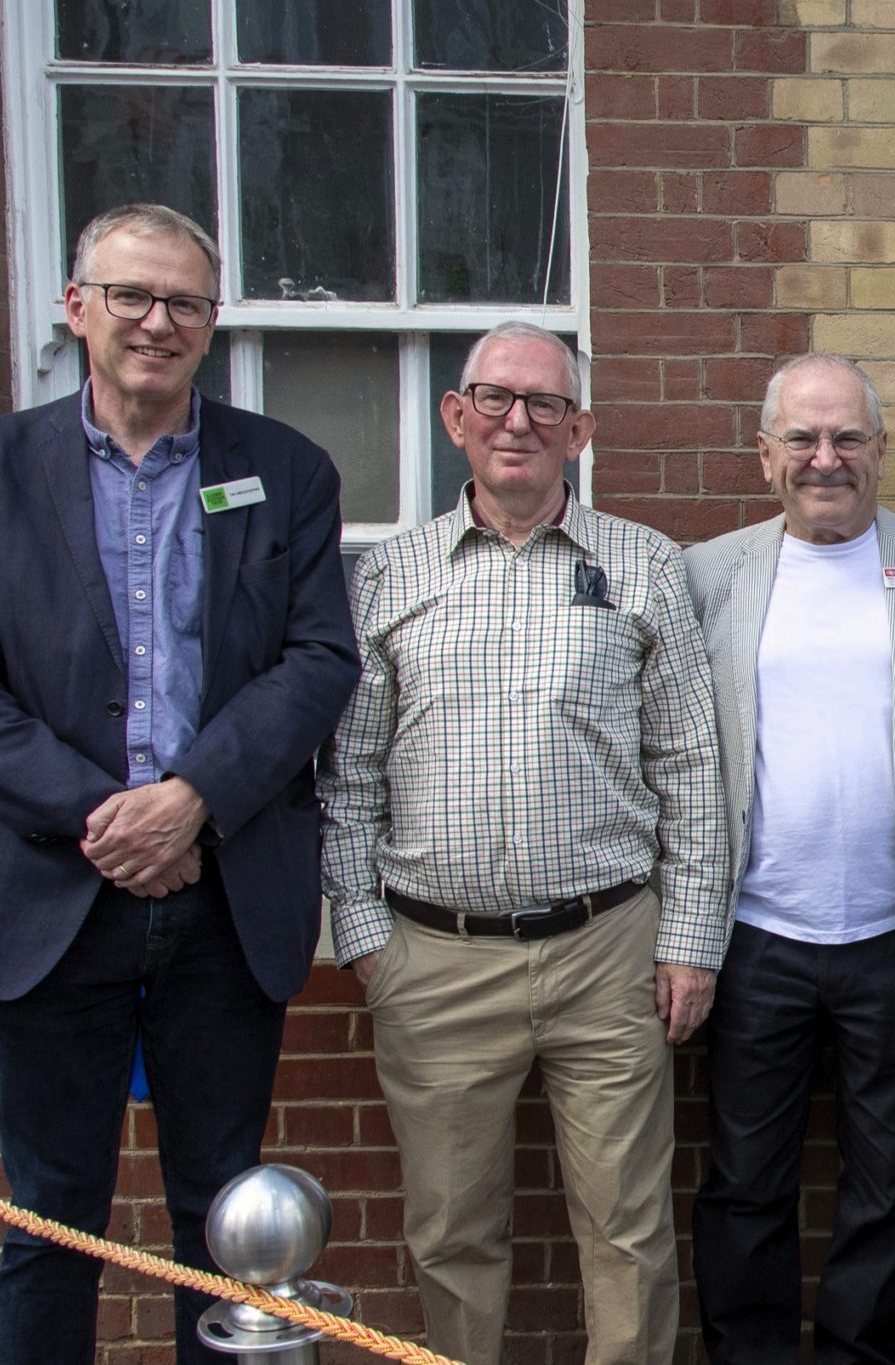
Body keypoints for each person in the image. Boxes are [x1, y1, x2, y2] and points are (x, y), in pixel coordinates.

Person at [0, 203, 360, 1363]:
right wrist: (103, 818)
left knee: (221, 1220)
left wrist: (190, 797)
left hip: (222, 893)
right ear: (77, 309)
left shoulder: (285, 470)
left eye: (186, 303)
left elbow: (318, 662)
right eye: (132, 296)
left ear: (213, 324)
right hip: (53, 894)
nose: (158, 323)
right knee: (49, 1215)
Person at [318, 321, 729, 1365]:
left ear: (579, 430)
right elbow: (348, 774)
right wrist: (368, 940)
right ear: (456, 418)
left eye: (545, 405)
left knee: (629, 1233)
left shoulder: (642, 567)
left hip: (607, 954)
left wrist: (688, 940)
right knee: (453, 1234)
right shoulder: (389, 577)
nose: (518, 422)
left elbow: (688, 764)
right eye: (496, 399)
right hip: (435, 960)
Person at [684, 354, 895, 1364]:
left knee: (890, 1187)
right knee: (743, 1184)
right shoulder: (709, 574)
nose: (824, 459)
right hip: (755, 936)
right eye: (801, 440)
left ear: (880, 451)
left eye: (846, 438)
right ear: (764, 455)